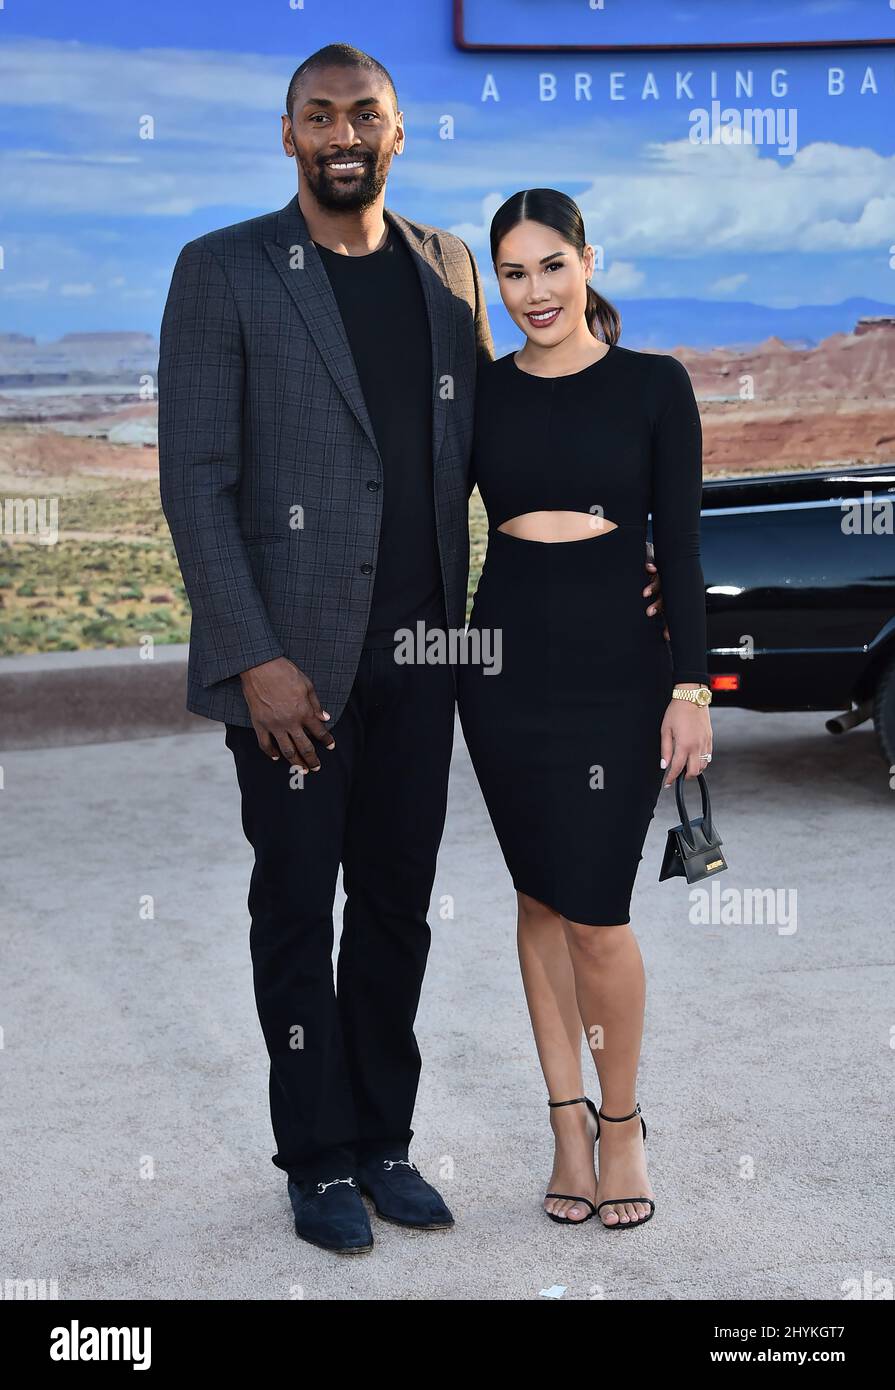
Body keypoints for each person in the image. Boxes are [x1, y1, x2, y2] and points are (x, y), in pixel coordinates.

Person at [158, 45, 668, 1254]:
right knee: (296, 906)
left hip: (431, 656)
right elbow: (197, 480)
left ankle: (383, 1141)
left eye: (366, 115)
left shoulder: (446, 267)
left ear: (399, 135)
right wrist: (252, 657)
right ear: (288, 134)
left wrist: (617, 549)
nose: (344, 131)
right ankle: (315, 1157)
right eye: (320, 114)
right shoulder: (223, 269)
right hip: (291, 672)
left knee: (397, 908)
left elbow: (507, 429)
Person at [457, 189, 714, 1231]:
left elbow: (685, 550)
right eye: (513, 273)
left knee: (598, 915)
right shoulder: (475, 394)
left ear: (587, 261)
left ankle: (621, 1123)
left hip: (621, 667)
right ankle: (564, 1122)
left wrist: (690, 685)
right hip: (505, 667)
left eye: (551, 266)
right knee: (537, 900)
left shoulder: (655, 386)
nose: (535, 292)